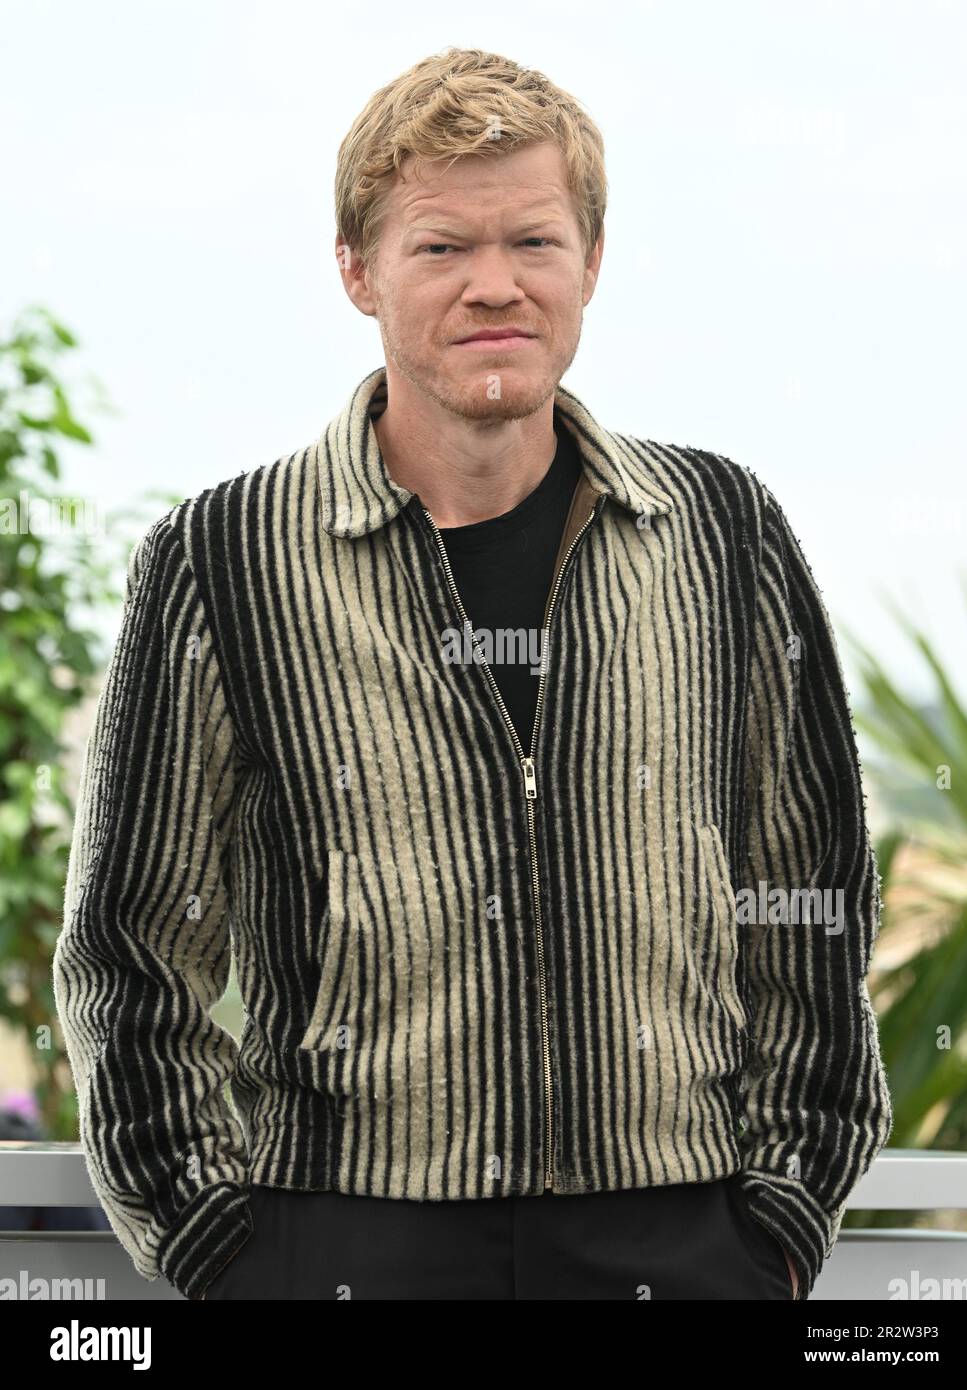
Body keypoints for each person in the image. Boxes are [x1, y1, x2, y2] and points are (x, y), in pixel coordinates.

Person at [52, 47, 893, 1302]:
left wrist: (772, 1218)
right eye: (441, 246)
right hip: (336, 1245)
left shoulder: (725, 530)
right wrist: (219, 1254)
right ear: (356, 271)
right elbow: (132, 945)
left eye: (534, 243)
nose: (492, 285)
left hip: (681, 1246)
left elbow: (806, 888)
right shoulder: (219, 559)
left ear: (590, 264)